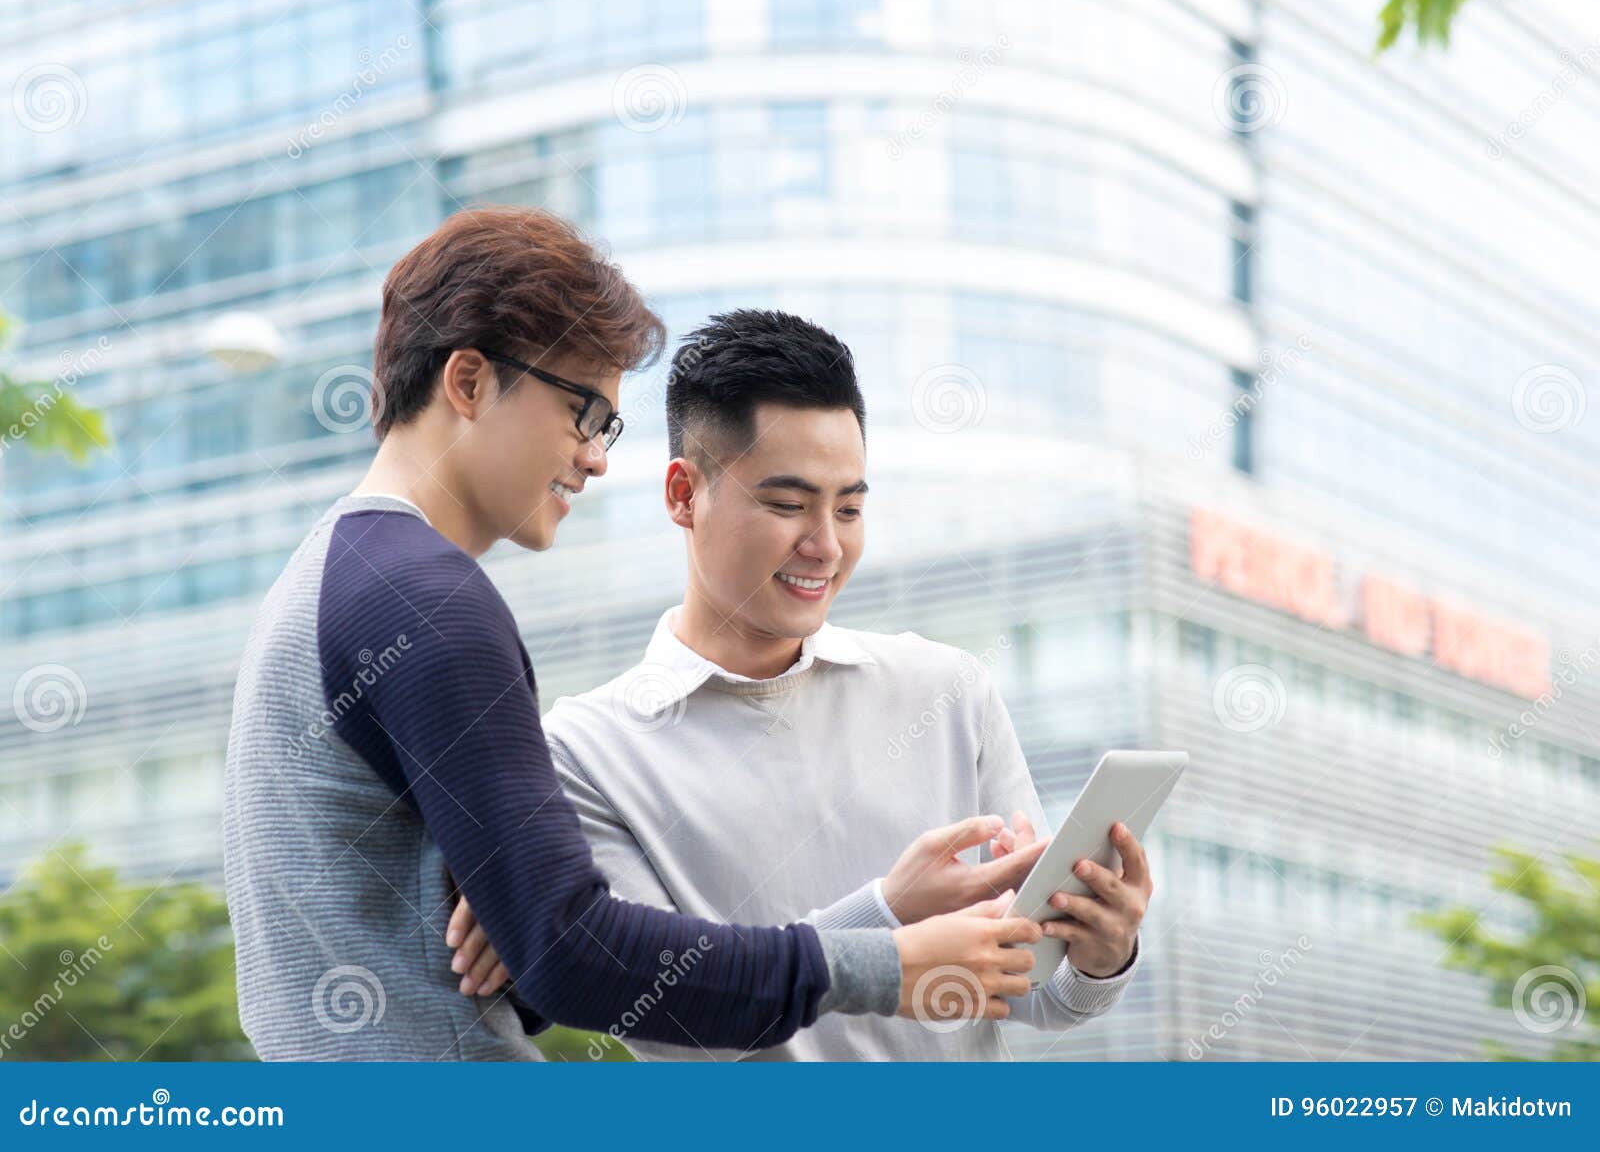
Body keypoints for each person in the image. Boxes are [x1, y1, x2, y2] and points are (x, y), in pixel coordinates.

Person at [220, 209, 1042, 1061]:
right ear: (467, 382)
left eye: (607, 427)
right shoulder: (429, 601)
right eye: (583, 413)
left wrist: (528, 922)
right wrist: (888, 963)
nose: (597, 457)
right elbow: (573, 953)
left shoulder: (330, 578)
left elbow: (536, 955)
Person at [447, 309, 1151, 1060]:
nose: (825, 545)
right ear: (684, 495)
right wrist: (882, 917)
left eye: (849, 507)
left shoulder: (948, 691)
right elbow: (674, 1018)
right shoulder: (584, 752)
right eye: (787, 505)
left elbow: (1031, 986)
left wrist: (1102, 953)